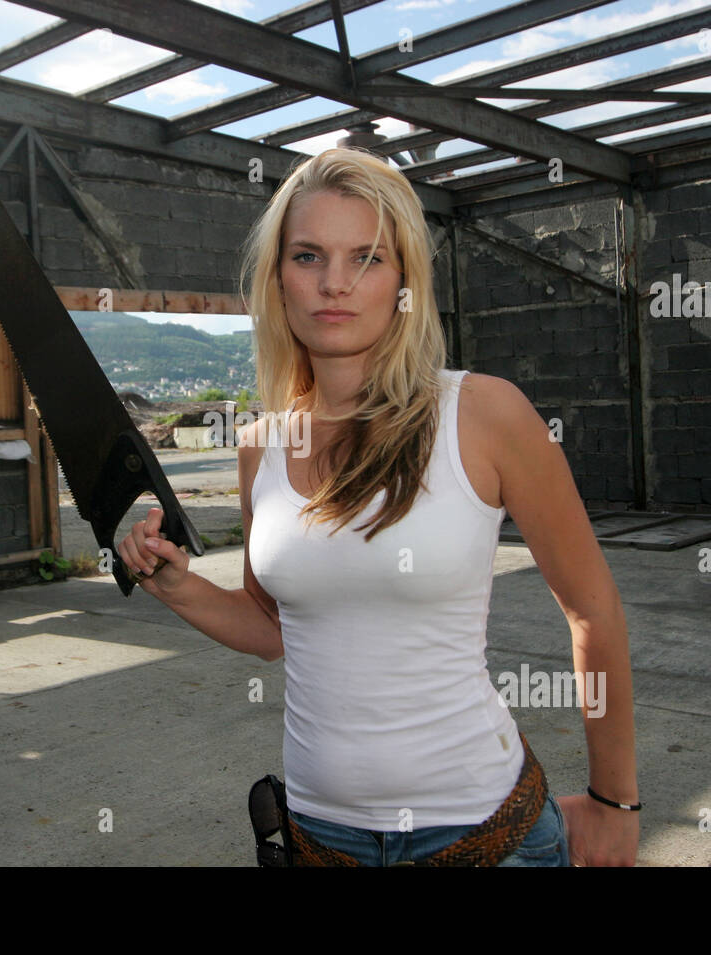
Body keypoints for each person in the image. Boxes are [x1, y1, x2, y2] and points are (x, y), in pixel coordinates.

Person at [117, 146, 639, 866]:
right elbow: (274, 629)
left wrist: (615, 801)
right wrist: (173, 584)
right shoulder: (262, 444)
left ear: (403, 282)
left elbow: (592, 609)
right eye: (308, 256)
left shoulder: (484, 414)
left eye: (366, 258)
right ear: (277, 280)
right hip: (318, 838)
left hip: (485, 839)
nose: (335, 283)